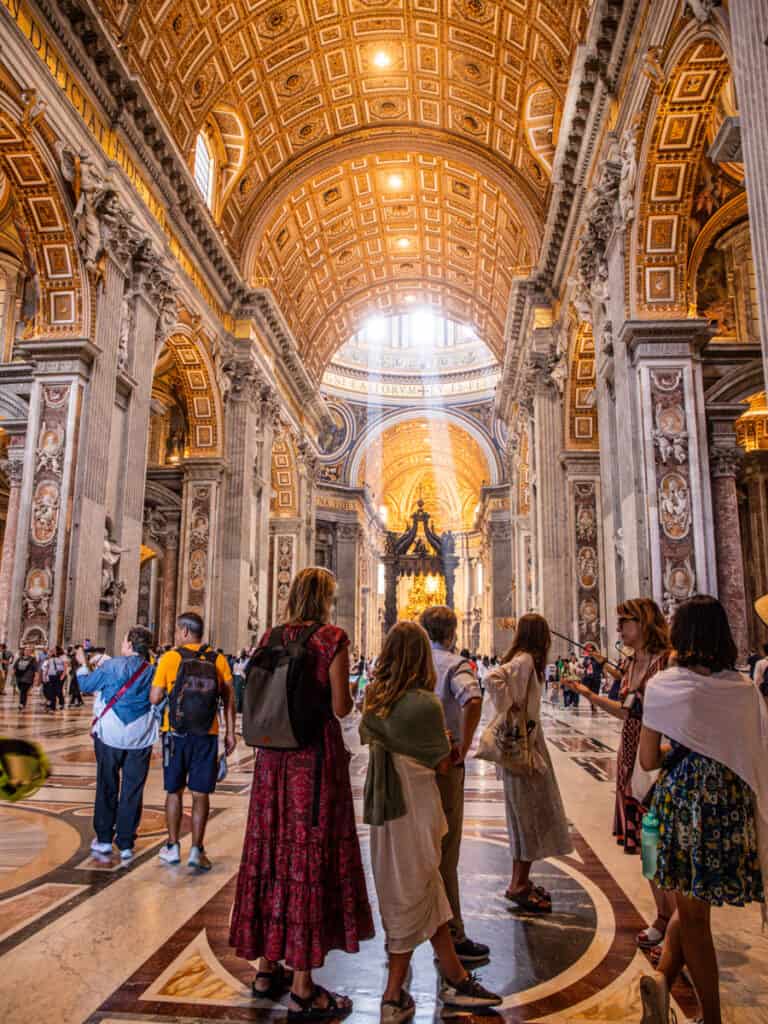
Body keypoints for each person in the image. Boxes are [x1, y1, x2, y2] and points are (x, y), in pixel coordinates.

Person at [229, 567, 373, 1018]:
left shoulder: (271, 634)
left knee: (271, 850)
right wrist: (360, 696)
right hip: (311, 762)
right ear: (326, 598)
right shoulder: (331, 637)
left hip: (272, 761)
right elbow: (340, 706)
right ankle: (305, 987)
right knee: (306, 854)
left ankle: (266, 968)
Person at [361, 621, 502, 1022]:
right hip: (416, 807)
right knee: (416, 887)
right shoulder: (425, 704)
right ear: (421, 656)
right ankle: (392, 995)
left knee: (424, 887)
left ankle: (455, 978)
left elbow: (368, 735)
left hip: (383, 810)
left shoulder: (374, 698)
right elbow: (442, 761)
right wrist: (449, 743)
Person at [638, 596, 767, 1024]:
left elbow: (648, 761)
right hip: (729, 810)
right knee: (695, 907)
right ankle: (661, 980)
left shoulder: (663, 686)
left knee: (692, 915)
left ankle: (711, 1017)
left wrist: (681, 746)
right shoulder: (743, 689)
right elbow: (752, 751)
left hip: (681, 806)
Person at [563, 598, 674, 951]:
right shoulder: (631, 663)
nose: (620, 629)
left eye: (626, 622)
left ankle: (676, 924)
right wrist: (586, 693)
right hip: (630, 758)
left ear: (644, 624)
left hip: (659, 761)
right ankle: (662, 916)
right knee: (648, 845)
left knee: (663, 843)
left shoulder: (667, 662)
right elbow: (624, 713)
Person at [484, 613, 573, 912]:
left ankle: (520, 879)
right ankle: (518, 884)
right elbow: (492, 678)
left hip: (528, 744)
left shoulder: (526, 661)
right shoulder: (524, 661)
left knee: (529, 813)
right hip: (523, 747)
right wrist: (513, 705)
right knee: (528, 814)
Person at [420, 605, 488, 965]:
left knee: (413, 852)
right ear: (452, 633)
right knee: (446, 852)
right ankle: (454, 932)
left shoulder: (409, 664)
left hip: (411, 770)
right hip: (445, 766)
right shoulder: (453, 663)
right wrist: (465, 741)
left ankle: (401, 935)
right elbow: (473, 698)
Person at [150, 611, 236, 871]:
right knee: (200, 793)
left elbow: (155, 698)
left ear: (185, 632)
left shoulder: (170, 658)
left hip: (175, 735)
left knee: (174, 791)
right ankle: (197, 850)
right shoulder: (218, 659)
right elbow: (230, 699)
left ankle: (173, 846)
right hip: (206, 735)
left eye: (177, 631)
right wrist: (230, 733)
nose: (176, 635)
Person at [76, 628, 157, 861]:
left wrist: (82, 664)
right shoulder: (152, 670)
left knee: (107, 784)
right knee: (132, 789)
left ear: (130, 644)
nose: (122, 643)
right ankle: (126, 841)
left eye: (124, 640)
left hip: (110, 733)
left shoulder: (112, 666)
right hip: (139, 736)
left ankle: (103, 839)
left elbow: (86, 685)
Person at [13, 645, 38, 711]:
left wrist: (36, 678)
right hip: (19, 677)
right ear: (24, 651)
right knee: (21, 690)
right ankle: (23, 704)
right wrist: (14, 673)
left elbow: (35, 669)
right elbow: (15, 666)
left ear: (30, 652)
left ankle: (21, 704)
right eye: (26, 650)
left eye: (28, 650)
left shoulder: (33, 659)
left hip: (28, 678)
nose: (27, 651)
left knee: (23, 691)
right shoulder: (20, 658)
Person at [41, 645, 66, 711]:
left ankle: (61, 703)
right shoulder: (50, 658)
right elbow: (48, 667)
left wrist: (63, 675)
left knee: (58, 691)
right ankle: (53, 706)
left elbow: (65, 667)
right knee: (52, 691)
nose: (53, 651)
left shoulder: (62, 657)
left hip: (59, 676)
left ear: (58, 650)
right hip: (51, 675)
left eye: (54, 650)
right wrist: (45, 676)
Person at [581, 644, 603, 715]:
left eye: (591, 651)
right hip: (588, 678)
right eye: (588, 651)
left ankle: (594, 705)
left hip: (596, 677)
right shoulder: (587, 658)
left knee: (595, 692)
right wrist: (587, 662)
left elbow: (601, 664)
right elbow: (584, 664)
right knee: (590, 692)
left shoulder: (597, 658)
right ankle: (592, 704)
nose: (589, 652)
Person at [232, 648, 250, 714]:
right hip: (237, 677)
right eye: (238, 654)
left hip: (242, 678)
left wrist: (240, 670)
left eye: (239, 654)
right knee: (237, 694)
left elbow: (244, 669)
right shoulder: (237, 661)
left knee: (241, 694)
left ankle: (241, 709)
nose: (238, 655)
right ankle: (237, 709)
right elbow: (234, 670)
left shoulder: (247, 661)